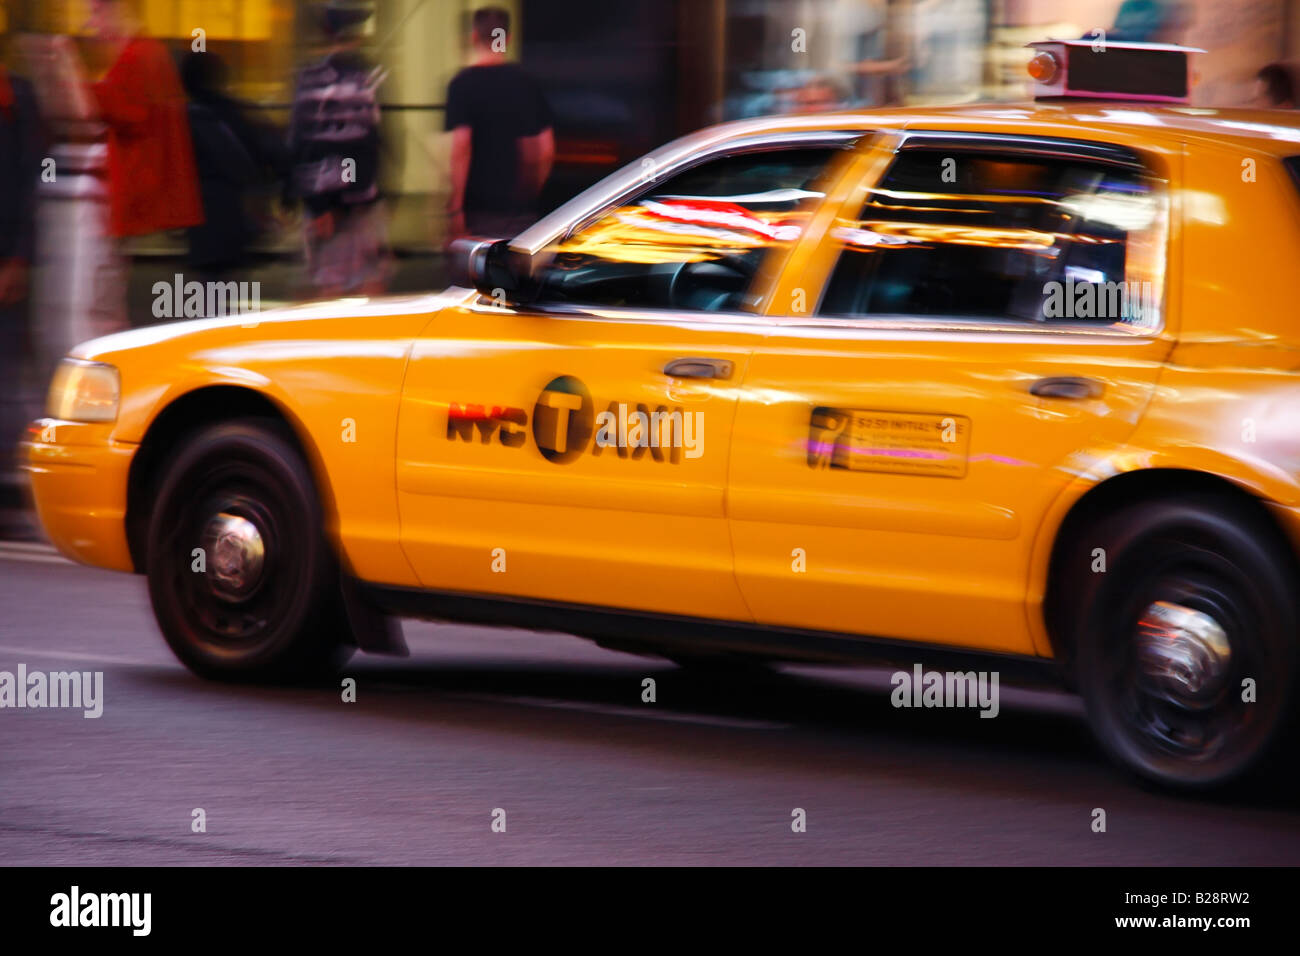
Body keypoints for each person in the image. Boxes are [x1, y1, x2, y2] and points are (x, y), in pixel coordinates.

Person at [79, 0, 203, 331]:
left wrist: (73, 83)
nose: (91, 26)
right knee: (109, 290)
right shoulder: (145, 53)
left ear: (114, 10)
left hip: (133, 185)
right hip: (134, 185)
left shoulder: (138, 55)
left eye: (94, 14)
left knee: (105, 296)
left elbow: (127, 111)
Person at [287, 1, 389, 298]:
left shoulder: (308, 78)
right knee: (369, 284)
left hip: (324, 204)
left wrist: (317, 204)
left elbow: (300, 143)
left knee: (327, 284)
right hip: (363, 199)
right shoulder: (369, 76)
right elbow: (373, 140)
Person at [445, 6, 554, 240]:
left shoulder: (462, 84)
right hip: (521, 213)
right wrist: (529, 192)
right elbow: (544, 151)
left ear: (473, 37)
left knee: (474, 273)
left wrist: (455, 209)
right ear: (508, 38)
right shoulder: (527, 83)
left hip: (479, 212)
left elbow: (461, 148)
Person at [180, 51, 285, 283]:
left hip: (201, 226)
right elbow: (276, 153)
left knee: (209, 299)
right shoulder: (238, 113)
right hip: (238, 219)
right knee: (228, 290)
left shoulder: (186, 119)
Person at [0, 60, 43, 491]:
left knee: (5, 375)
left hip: (5, 258)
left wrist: (18, 258)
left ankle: (7, 490)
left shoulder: (17, 97)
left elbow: (31, 181)